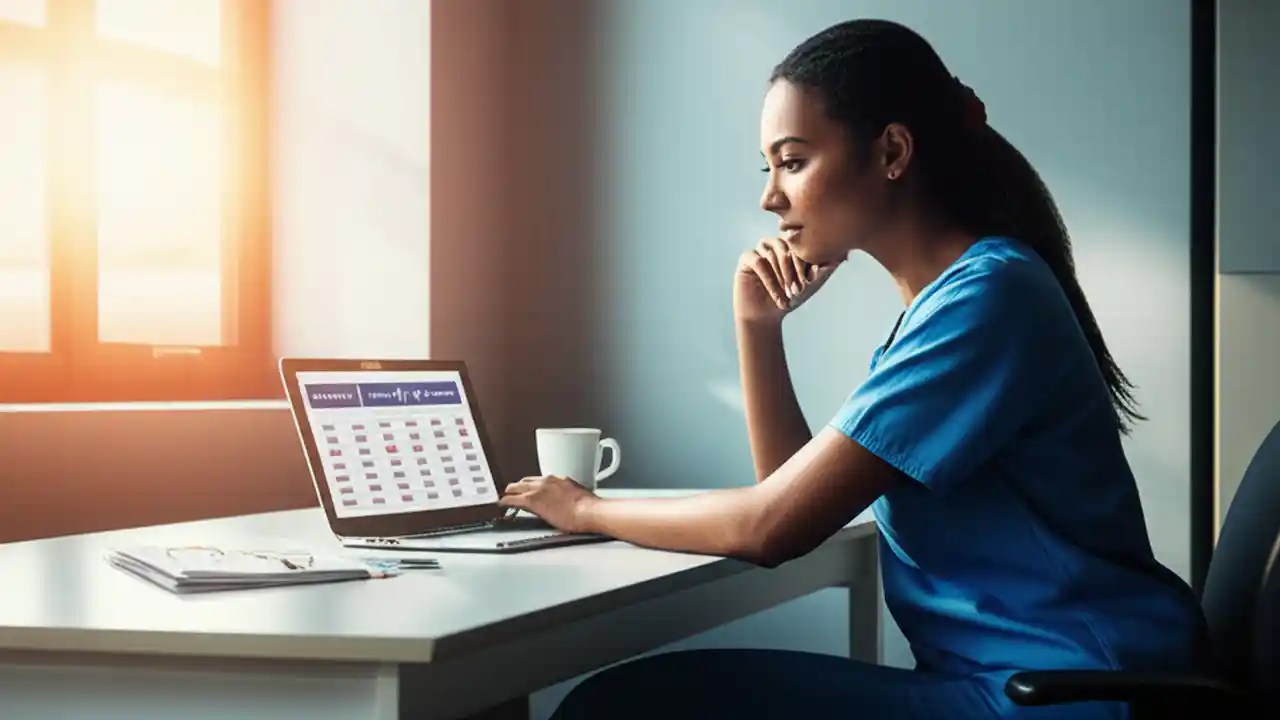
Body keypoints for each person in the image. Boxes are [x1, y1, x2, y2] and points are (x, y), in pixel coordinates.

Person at [499, 18, 1208, 720]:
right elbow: (791, 500)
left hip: (1071, 693)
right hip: (1024, 683)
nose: (770, 197)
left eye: (794, 160)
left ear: (892, 151)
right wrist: (758, 327)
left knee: (622, 707)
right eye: (769, 167)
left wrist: (587, 509)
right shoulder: (950, 304)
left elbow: (772, 528)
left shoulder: (988, 299)